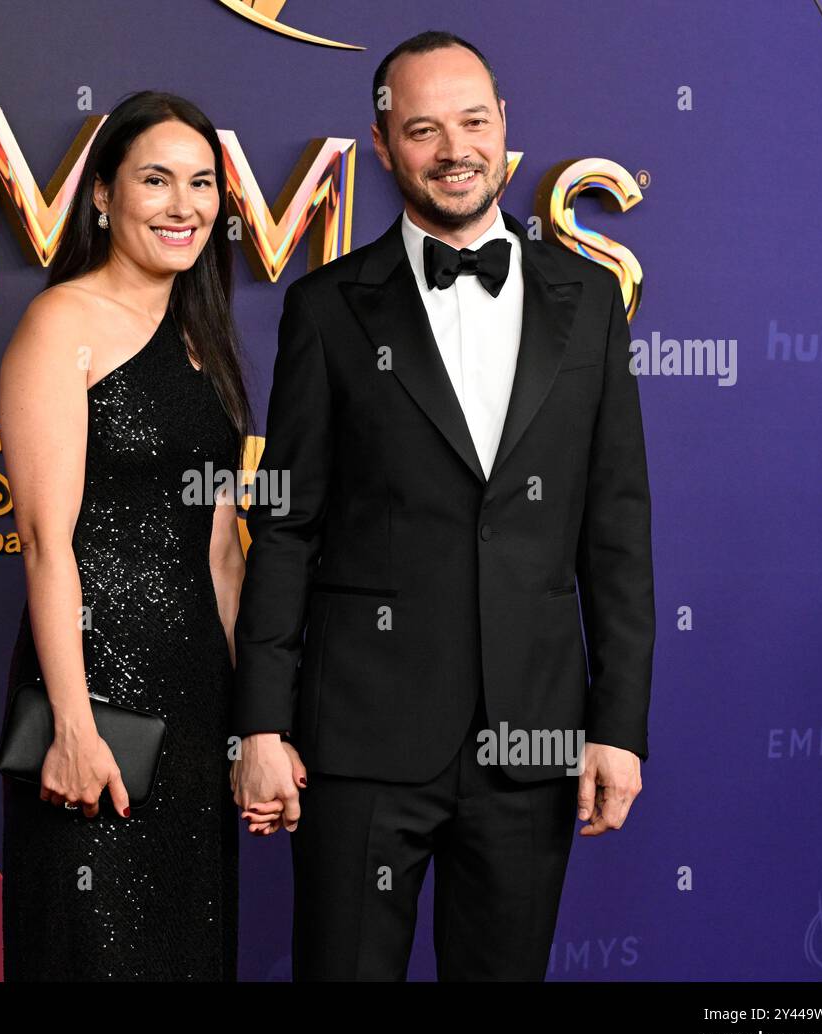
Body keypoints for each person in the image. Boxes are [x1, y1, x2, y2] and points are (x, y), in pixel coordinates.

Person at [230, 30, 655, 980]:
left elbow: (617, 532)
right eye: (422, 128)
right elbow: (286, 526)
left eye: (471, 120)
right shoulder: (329, 306)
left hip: (532, 735)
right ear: (383, 146)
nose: (452, 148)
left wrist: (618, 727)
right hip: (359, 741)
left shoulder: (589, 301)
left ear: (505, 127)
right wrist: (260, 725)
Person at [0, 90, 255, 981]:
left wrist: (251, 723)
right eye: (155, 180)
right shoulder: (59, 324)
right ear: (103, 194)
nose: (183, 206)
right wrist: (71, 723)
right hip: (97, 707)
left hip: (195, 711)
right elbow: (45, 543)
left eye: (201, 184)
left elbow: (223, 558)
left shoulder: (205, 343)